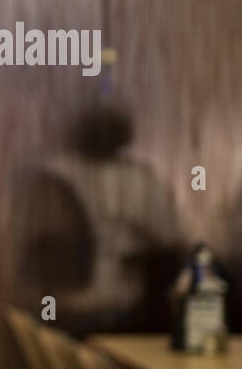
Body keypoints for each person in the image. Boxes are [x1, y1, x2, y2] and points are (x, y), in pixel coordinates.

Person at [12, 104, 184, 336]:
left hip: (57, 307)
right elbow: (171, 241)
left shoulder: (53, 171)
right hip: (112, 308)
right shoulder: (138, 180)